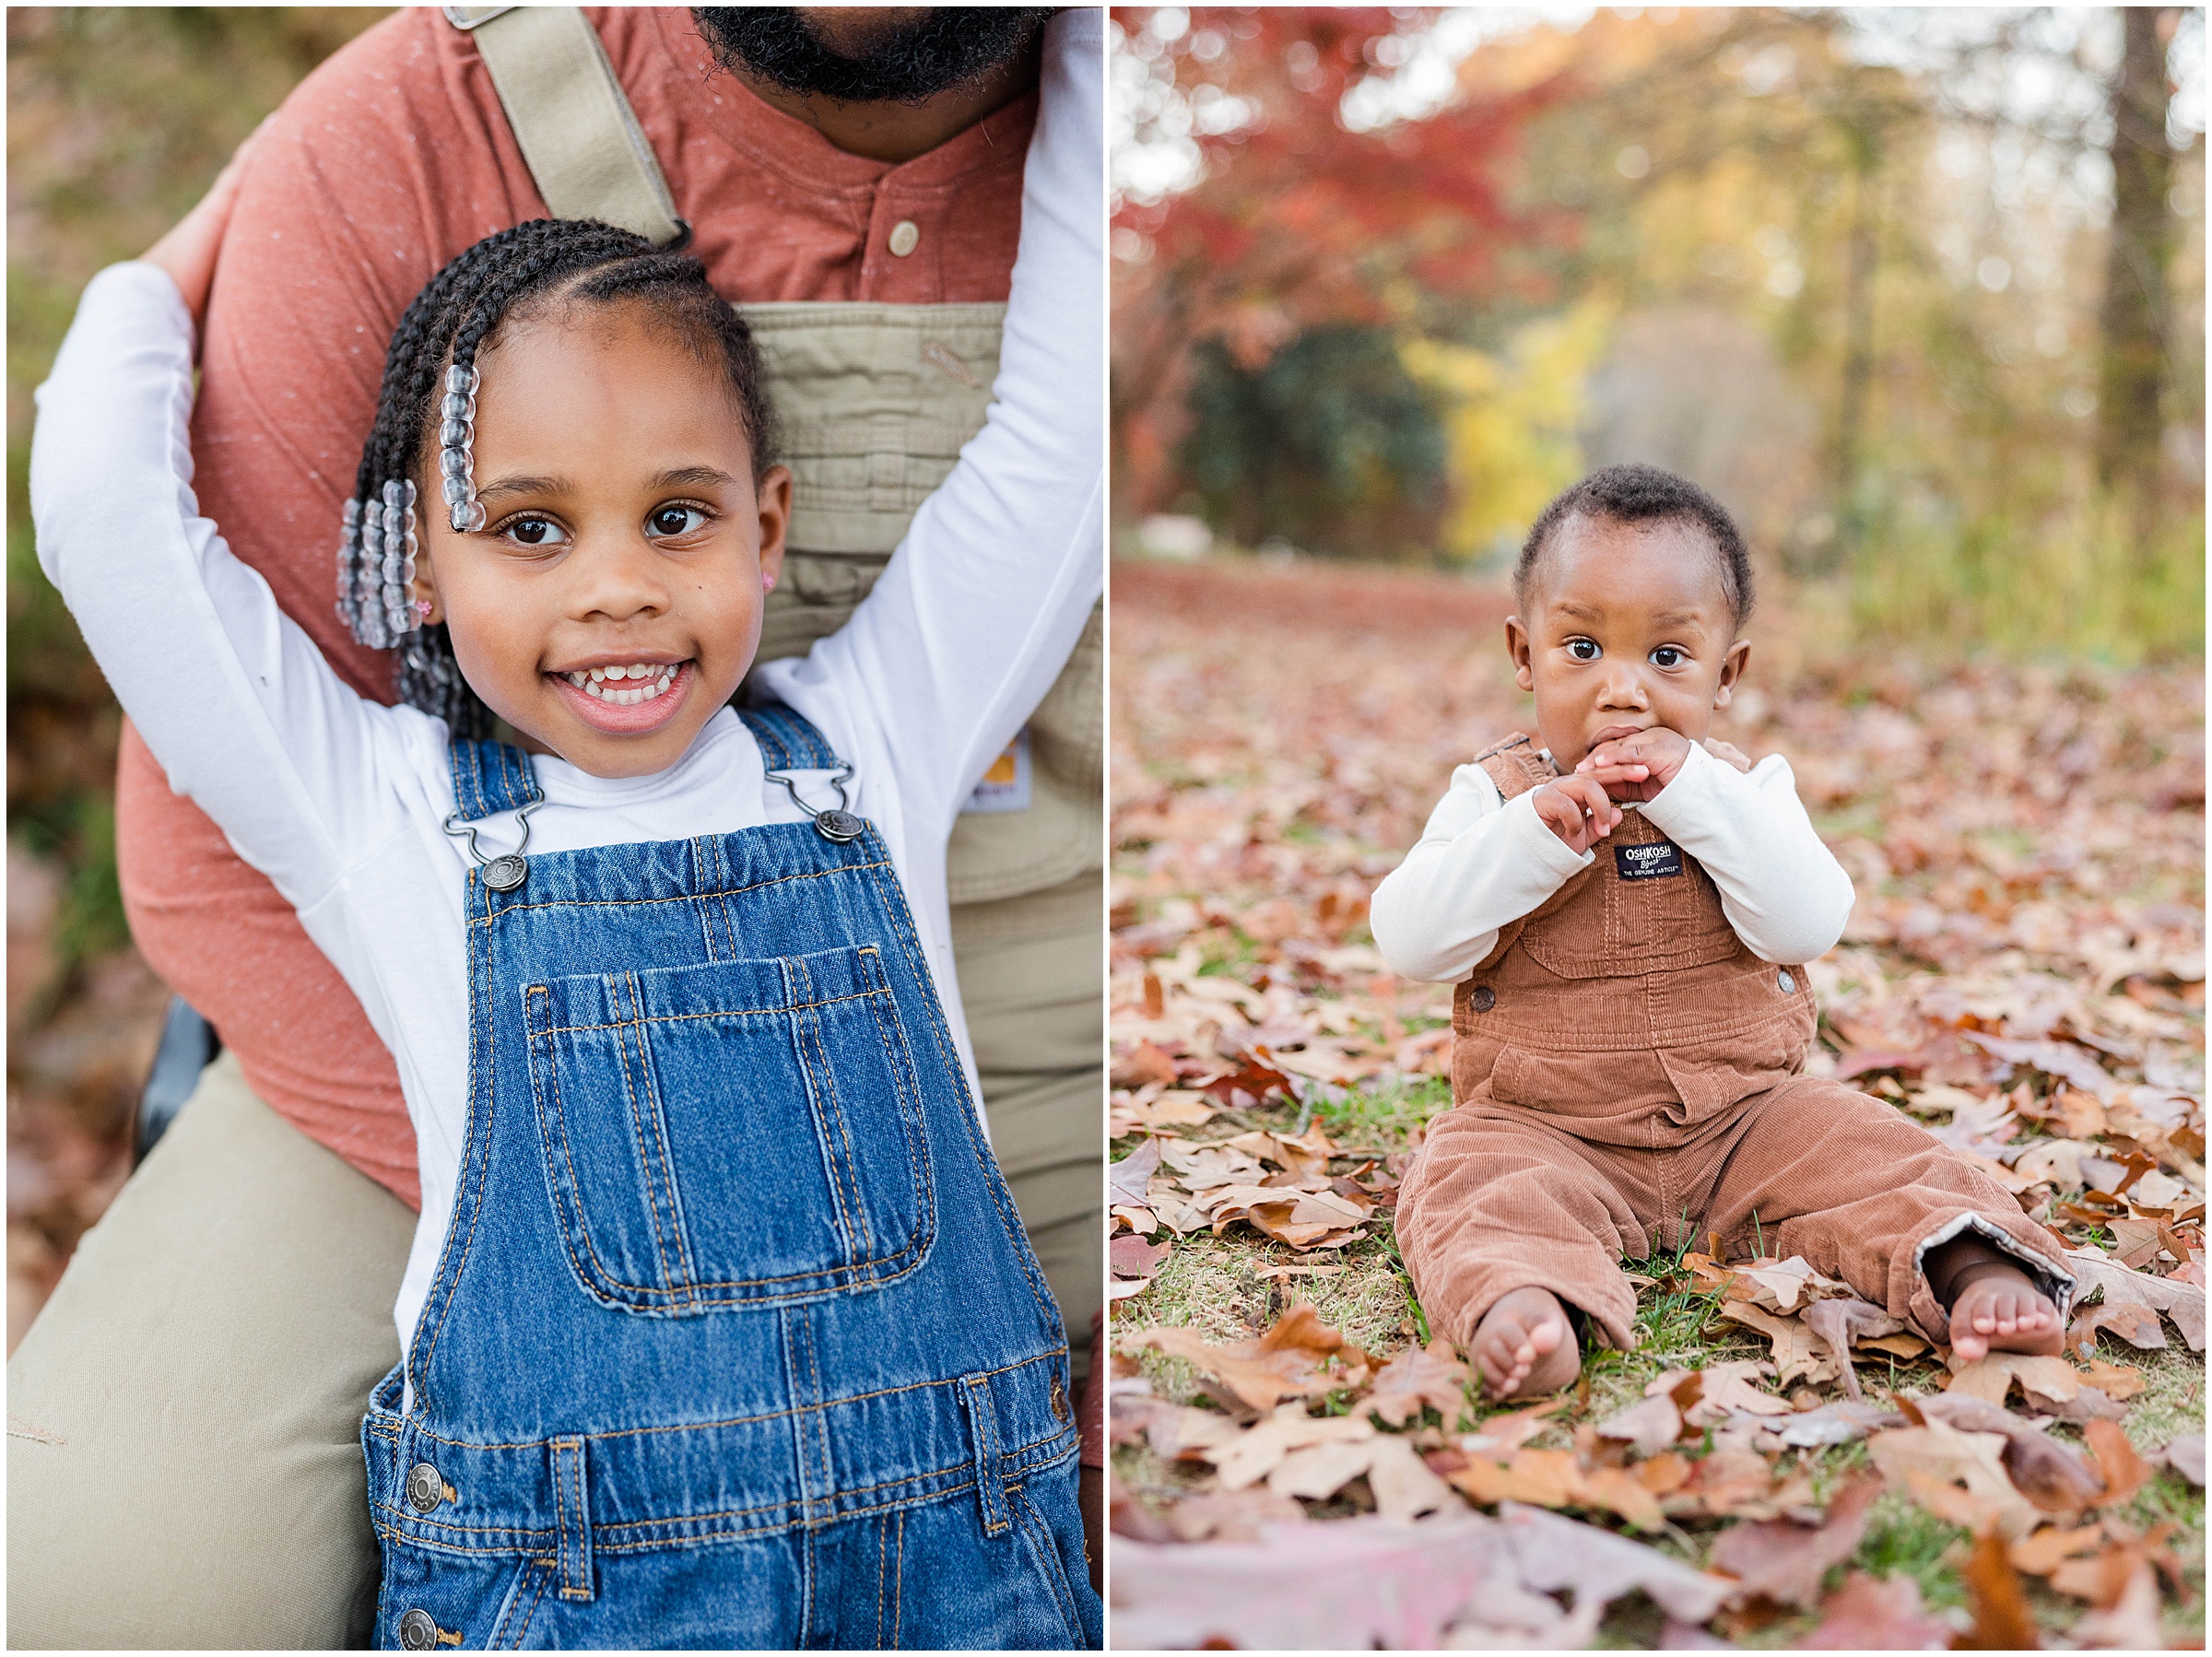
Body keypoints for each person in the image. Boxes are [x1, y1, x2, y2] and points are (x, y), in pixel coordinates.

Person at [8, 9, 1101, 1646]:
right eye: (528, 529)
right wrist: (160, 272)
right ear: (420, 565)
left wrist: (1091, 52)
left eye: (677, 516)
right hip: (577, 1592)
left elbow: (1058, 435)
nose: (616, 587)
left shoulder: (879, 744)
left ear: (767, 528)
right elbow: (108, 515)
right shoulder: (373, 815)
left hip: (958, 1579)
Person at [1371, 464, 2075, 1400]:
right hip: (1546, 1129)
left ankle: (1971, 1266)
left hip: (1748, 1122)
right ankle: (1524, 1301)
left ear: (1727, 675)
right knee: (1469, 1172)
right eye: (1582, 647)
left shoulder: (1745, 790)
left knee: (1869, 1148)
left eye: (1668, 657)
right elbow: (1410, 939)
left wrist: (1696, 795)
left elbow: (1806, 921)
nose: (1623, 691)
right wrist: (1529, 839)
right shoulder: (1495, 798)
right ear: (1524, 655)